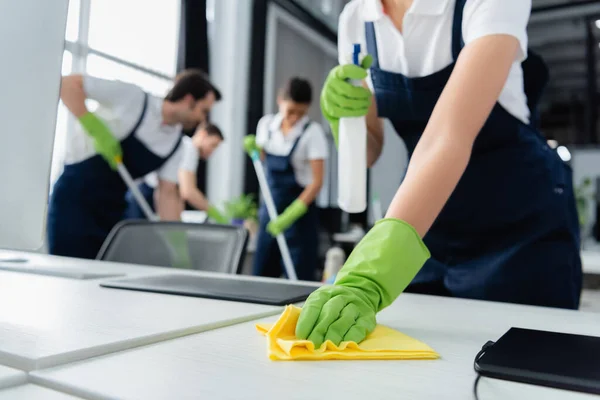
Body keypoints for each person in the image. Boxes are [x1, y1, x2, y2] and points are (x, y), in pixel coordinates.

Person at [295, 0, 582, 347]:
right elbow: (371, 151)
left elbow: (450, 134)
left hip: (517, 228)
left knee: (525, 368)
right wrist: (343, 120)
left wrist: (368, 277)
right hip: (428, 229)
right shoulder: (357, 18)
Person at [48, 69, 221, 259]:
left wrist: (178, 247)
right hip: (73, 202)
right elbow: (67, 84)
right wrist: (92, 124)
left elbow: (168, 195)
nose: (203, 119)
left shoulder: (176, 145)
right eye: (203, 111)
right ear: (189, 100)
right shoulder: (134, 98)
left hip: (113, 213)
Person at [244, 77, 329, 281]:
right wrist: (254, 151)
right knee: (263, 274)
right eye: (290, 111)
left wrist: (292, 214)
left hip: (300, 215)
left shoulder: (312, 133)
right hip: (270, 210)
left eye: (300, 113)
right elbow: (264, 162)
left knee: (299, 277)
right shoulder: (266, 125)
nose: (294, 118)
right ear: (279, 101)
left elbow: (317, 181)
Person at [123, 122, 228, 223]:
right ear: (203, 134)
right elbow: (188, 191)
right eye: (213, 145)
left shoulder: (184, 145)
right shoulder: (190, 148)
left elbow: (177, 192)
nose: (212, 151)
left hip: (144, 193)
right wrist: (215, 213)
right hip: (146, 196)